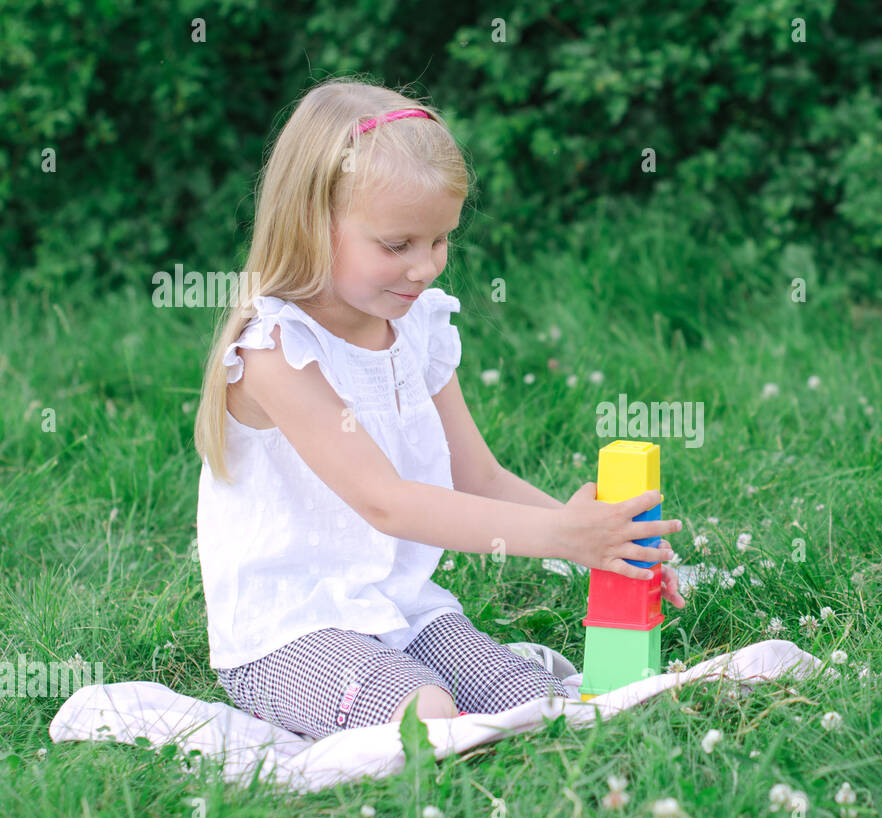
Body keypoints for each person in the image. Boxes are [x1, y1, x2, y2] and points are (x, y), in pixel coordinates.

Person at [191, 77, 684, 740]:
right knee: (425, 718)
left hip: (403, 608)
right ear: (311, 224)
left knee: (530, 699)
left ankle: (432, 678)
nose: (425, 268)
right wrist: (562, 538)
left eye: (439, 240)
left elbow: (476, 476)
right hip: (287, 631)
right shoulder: (279, 350)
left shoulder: (416, 326)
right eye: (397, 245)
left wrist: (601, 540)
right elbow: (386, 501)